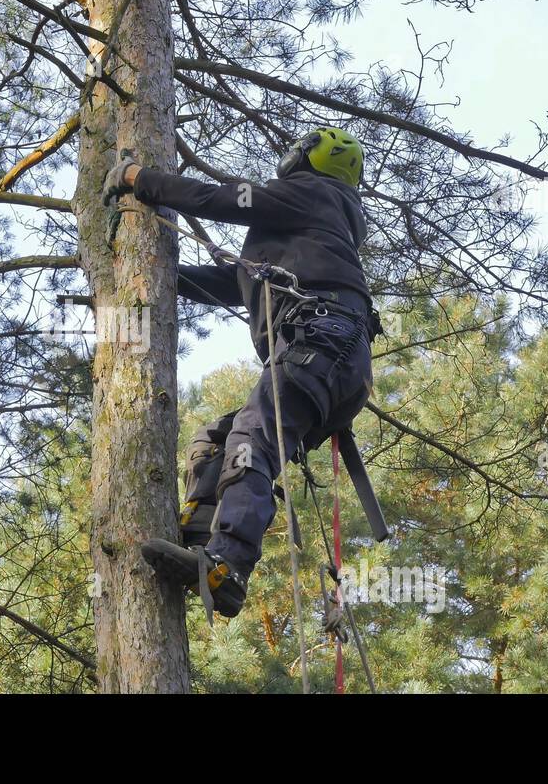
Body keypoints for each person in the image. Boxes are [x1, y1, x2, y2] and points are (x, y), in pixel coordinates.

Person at [101, 126, 378, 617]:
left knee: (253, 437)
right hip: (332, 361)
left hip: (319, 345)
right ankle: (200, 541)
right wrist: (159, 277)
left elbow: (224, 199)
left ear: (310, 157)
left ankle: (228, 563)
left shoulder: (312, 192)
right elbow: (236, 283)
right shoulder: (315, 230)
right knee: (218, 438)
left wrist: (138, 178)